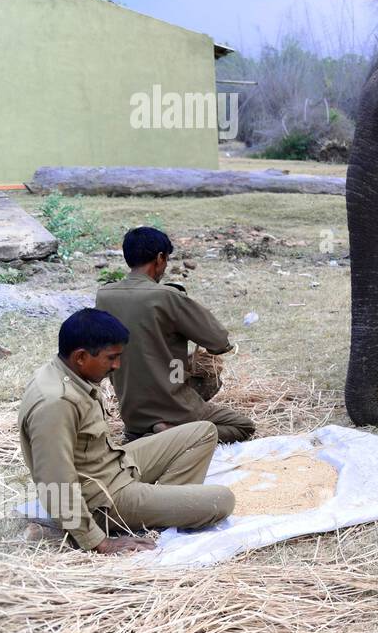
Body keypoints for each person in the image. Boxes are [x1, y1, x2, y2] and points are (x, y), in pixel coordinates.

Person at [18, 308, 235, 554]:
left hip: (114, 465)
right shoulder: (55, 404)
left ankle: (155, 507)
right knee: (222, 500)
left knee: (203, 432)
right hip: (103, 500)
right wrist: (99, 542)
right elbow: (54, 483)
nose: (117, 365)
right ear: (80, 357)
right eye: (111, 358)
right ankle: (133, 517)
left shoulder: (65, 371)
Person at [96, 226, 255, 443]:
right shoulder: (167, 296)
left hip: (132, 414)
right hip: (173, 407)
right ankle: (174, 434)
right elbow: (219, 341)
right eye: (167, 260)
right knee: (242, 426)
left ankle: (144, 434)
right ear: (160, 258)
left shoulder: (104, 295)